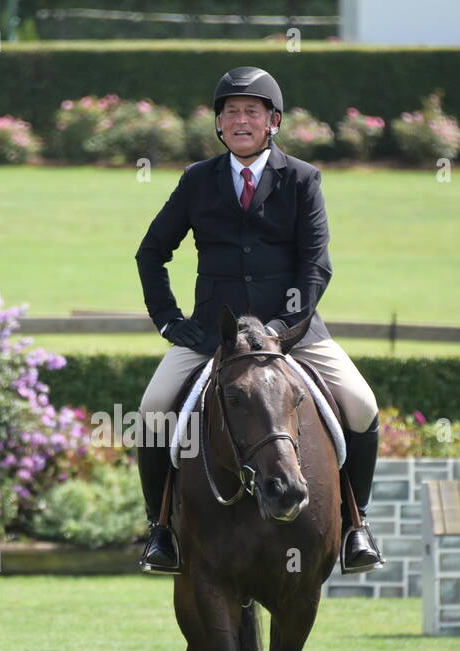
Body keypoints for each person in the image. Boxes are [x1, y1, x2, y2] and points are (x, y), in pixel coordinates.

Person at [134, 66, 384, 575]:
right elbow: (151, 252)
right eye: (231, 112)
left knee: (361, 405)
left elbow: (316, 265)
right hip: (212, 335)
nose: (240, 120)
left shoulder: (303, 179)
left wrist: (282, 326)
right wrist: (168, 320)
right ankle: (160, 531)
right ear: (219, 125)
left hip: (292, 333)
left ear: (273, 121)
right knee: (153, 408)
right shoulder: (198, 180)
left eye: (252, 111)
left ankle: (357, 527)